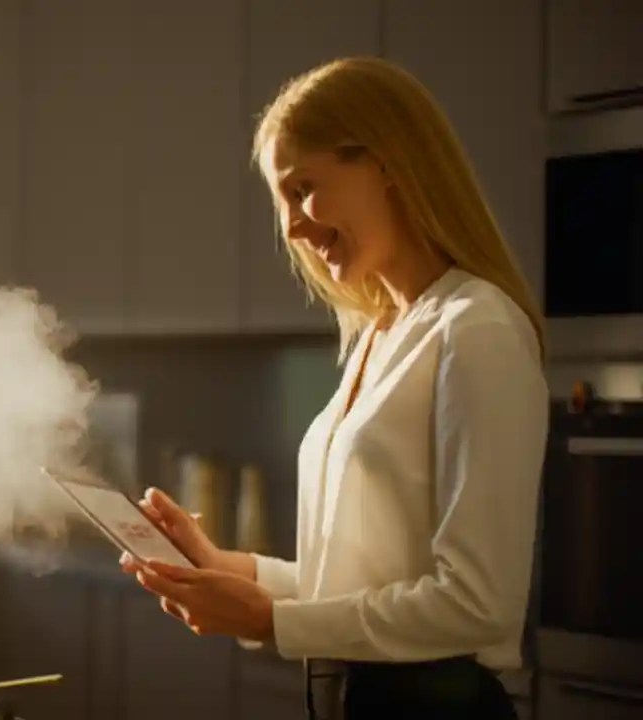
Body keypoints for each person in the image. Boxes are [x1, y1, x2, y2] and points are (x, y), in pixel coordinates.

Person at [120, 56, 548, 719]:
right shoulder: (379, 336)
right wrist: (231, 570)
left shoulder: (478, 330)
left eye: (304, 188)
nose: (291, 226)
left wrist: (271, 620)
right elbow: (368, 589)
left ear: (386, 163)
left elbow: (475, 604)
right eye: (282, 200)